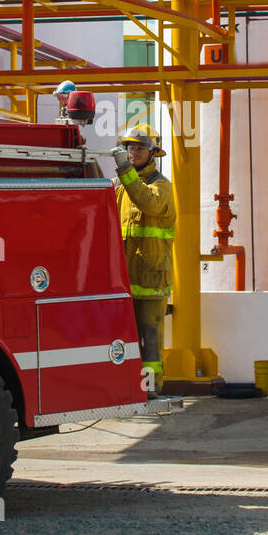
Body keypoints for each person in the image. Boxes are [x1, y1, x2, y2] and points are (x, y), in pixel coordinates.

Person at [112, 125, 175, 396]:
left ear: (152, 153)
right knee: (124, 341)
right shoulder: (121, 187)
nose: (132, 152)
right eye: (129, 147)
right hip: (126, 279)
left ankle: (150, 388)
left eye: (138, 148)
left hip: (151, 280)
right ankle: (127, 387)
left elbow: (147, 202)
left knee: (150, 341)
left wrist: (124, 171)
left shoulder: (161, 187)